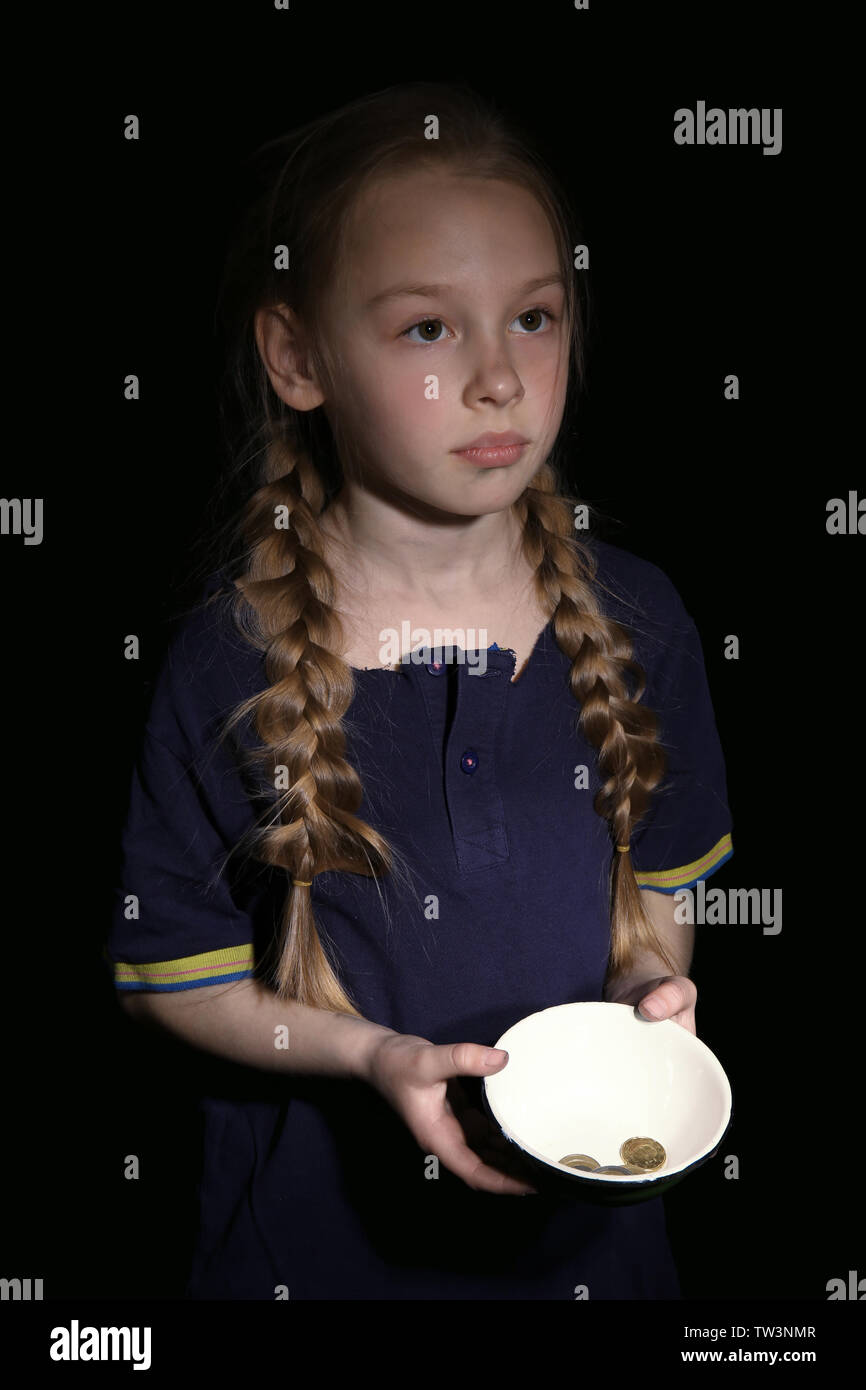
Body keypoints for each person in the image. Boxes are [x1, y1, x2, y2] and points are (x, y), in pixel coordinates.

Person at [105, 80, 734, 1300]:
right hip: (306, 1257)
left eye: (535, 316)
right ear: (296, 356)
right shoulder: (224, 656)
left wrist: (637, 994)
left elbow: (657, 897)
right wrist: (369, 1053)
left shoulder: (641, 619)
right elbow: (169, 976)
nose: (499, 378)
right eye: (427, 330)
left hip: (587, 1261)